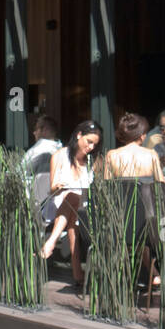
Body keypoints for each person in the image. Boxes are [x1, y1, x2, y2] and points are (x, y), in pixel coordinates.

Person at [39, 120, 104, 284]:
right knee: (72, 198)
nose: (91, 147)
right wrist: (59, 187)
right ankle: (76, 270)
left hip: (83, 210)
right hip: (56, 206)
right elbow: (52, 189)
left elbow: (98, 189)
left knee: (76, 203)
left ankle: (51, 243)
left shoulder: (94, 161)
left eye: (94, 145)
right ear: (79, 135)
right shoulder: (60, 155)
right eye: (89, 142)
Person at [104, 113, 165, 181]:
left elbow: (107, 186)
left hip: (121, 192)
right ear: (142, 136)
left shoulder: (112, 155)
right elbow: (162, 185)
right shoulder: (151, 155)